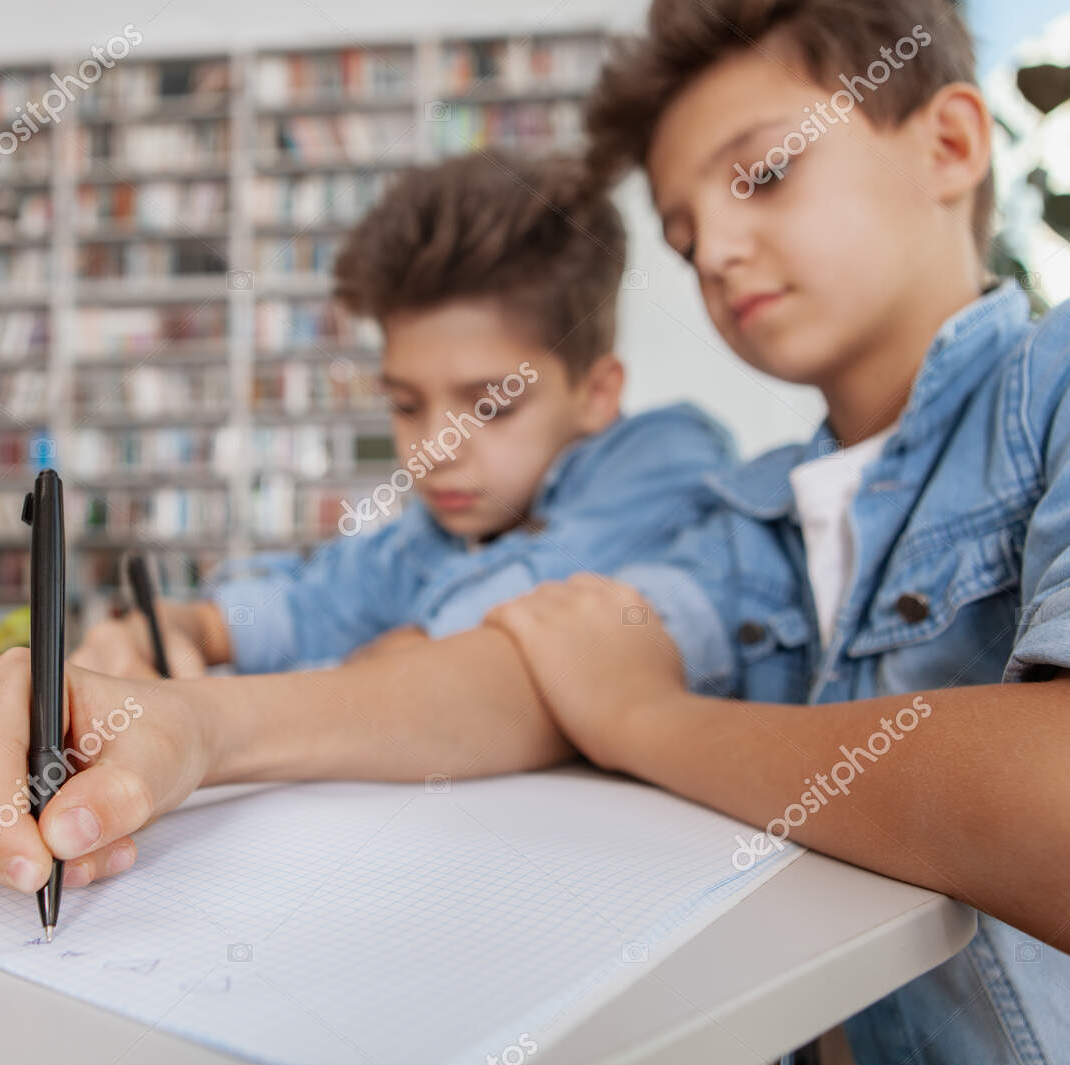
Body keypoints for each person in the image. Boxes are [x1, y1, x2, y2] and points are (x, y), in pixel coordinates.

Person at [0, 0, 1070, 1065]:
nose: (715, 251)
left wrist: (653, 724)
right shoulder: (758, 513)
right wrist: (195, 727)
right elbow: (531, 668)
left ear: (950, 144)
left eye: (765, 174)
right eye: (682, 233)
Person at [69, 150, 732, 678]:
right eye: (405, 405)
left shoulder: (669, 457)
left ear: (597, 393)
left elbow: (526, 602)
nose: (436, 448)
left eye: (492, 406)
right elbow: (309, 603)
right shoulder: (429, 535)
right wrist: (188, 627)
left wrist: (402, 652)